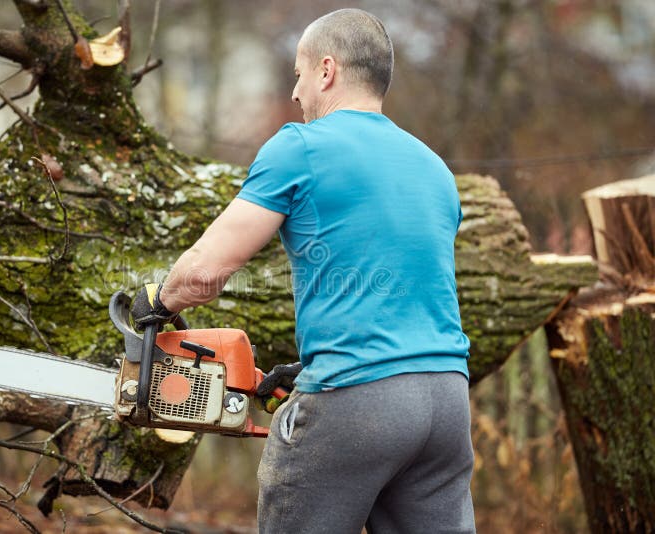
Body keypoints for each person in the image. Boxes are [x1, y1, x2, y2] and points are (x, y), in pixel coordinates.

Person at [130, 8, 475, 534]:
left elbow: (205, 274)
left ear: (327, 71)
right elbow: (392, 289)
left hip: (359, 402)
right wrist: (309, 367)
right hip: (447, 404)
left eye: (298, 73)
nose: (295, 92)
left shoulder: (301, 146)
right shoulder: (435, 168)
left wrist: (157, 302)